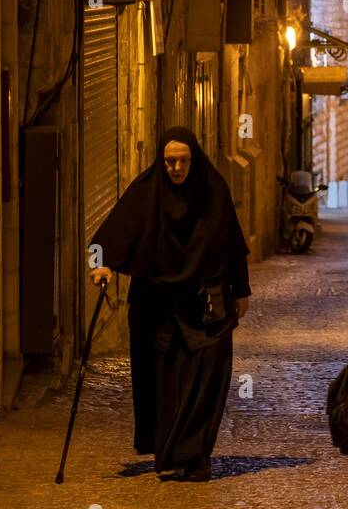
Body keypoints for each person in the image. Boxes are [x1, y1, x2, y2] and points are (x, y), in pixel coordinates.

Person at [89, 126, 251, 482]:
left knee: (205, 381)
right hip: (158, 310)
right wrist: (100, 266)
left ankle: (194, 456)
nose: (176, 169)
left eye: (182, 161)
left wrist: (242, 291)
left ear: (194, 160)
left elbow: (233, 244)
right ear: (161, 162)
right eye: (170, 162)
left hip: (206, 308)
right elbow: (105, 238)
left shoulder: (213, 192)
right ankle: (171, 450)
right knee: (165, 384)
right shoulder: (147, 194)